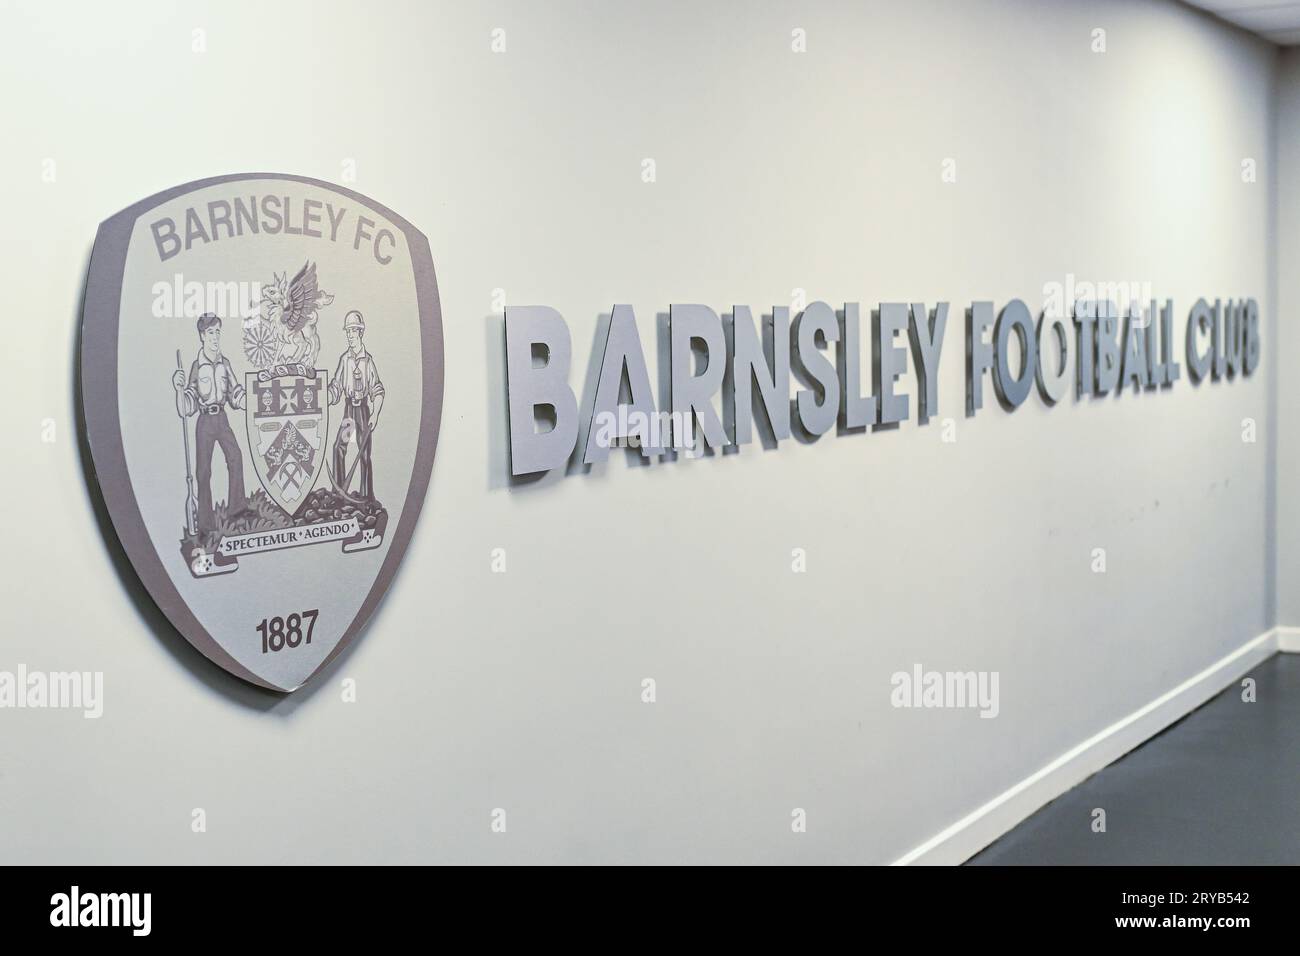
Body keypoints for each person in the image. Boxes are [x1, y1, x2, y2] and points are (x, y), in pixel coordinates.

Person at [172, 313, 247, 532]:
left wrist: (245, 400)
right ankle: (205, 524)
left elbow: (236, 392)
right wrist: (178, 389)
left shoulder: (225, 363)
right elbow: (186, 407)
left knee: (236, 457)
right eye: (211, 332)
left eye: (217, 332)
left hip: (222, 418)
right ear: (202, 336)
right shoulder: (197, 366)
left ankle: (237, 509)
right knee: (203, 471)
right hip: (204, 421)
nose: (215, 337)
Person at [328, 310, 384, 499]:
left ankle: (367, 496)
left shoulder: (368, 362)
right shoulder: (345, 360)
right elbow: (336, 386)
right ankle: (338, 493)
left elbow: (377, 389)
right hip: (349, 413)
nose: (350, 335)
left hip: (363, 412)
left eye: (353, 331)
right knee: (339, 447)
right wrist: (327, 397)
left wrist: (375, 414)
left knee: (365, 455)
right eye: (348, 331)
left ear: (360, 332)